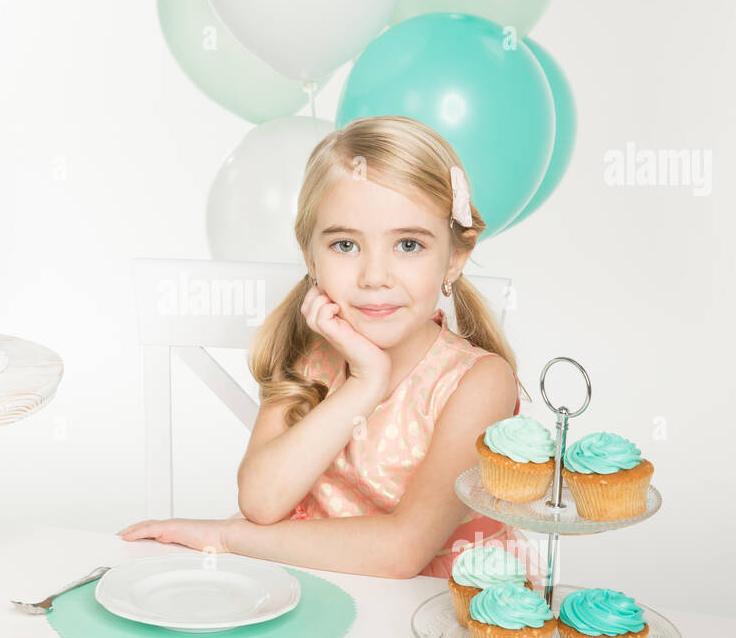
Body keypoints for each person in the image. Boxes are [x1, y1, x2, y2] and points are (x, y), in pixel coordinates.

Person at [119, 115, 538, 581]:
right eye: (344, 244)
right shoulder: (312, 357)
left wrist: (226, 537)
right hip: (323, 592)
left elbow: (402, 552)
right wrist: (364, 383)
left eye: (408, 244)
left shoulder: (479, 382)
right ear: (310, 257)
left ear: (455, 258)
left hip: (438, 614)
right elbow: (261, 502)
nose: (374, 276)